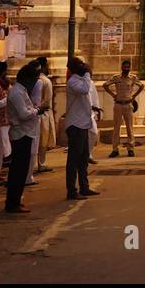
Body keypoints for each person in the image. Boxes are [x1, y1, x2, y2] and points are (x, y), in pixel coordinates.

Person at [5, 64, 45, 213]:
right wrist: (37, 111)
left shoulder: (21, 91)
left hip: (26, 132)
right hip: (20, 133)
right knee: (18, 170)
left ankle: (15, 200)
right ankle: (13, 202)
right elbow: (23, 114)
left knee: (21, 170)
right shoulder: (16, 92)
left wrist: (34, 110)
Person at [64, 57, 100, 200]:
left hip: (83, 123)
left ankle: (84, 187)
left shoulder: (81, 80)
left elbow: (86, 96)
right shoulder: (73, 81)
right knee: (74, 159)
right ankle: (71, 190)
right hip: (75, 124)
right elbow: (85, 90)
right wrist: (87, 73)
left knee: (83, 158)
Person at [103, 60, 145, 158]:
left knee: (129, 127)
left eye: (128, 67)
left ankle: (130, 148)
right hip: (118, 104)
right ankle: (115, 149)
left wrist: (134, 96)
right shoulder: (116, 77)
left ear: (129, 68)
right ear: (122, 67)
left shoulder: (132, 78)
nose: (126, 68)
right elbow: (105, 85)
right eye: (125, 67)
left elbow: (141, 86)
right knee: (116, 128)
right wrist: (113, 95)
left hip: (128, 104)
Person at [35, 56, 57, 174]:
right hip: (43, 113)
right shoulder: (46, 81)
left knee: (37, 140)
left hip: (34, 112)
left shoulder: (34, 79)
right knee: (42, 141)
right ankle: (41, 164)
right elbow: (47, 100)